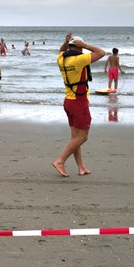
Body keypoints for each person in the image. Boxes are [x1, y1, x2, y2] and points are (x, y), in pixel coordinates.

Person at [52, 34, 106, 178]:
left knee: (75, 138)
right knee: (82, 137)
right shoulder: (79, 59)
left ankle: (81, 167)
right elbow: (101, 53)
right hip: (78, 102)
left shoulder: (61, 59)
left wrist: (65, 42)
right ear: (78, 47)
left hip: (68, 102)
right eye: (81, 47)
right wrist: (86, 45)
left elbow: (61, 51)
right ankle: (60, 161)